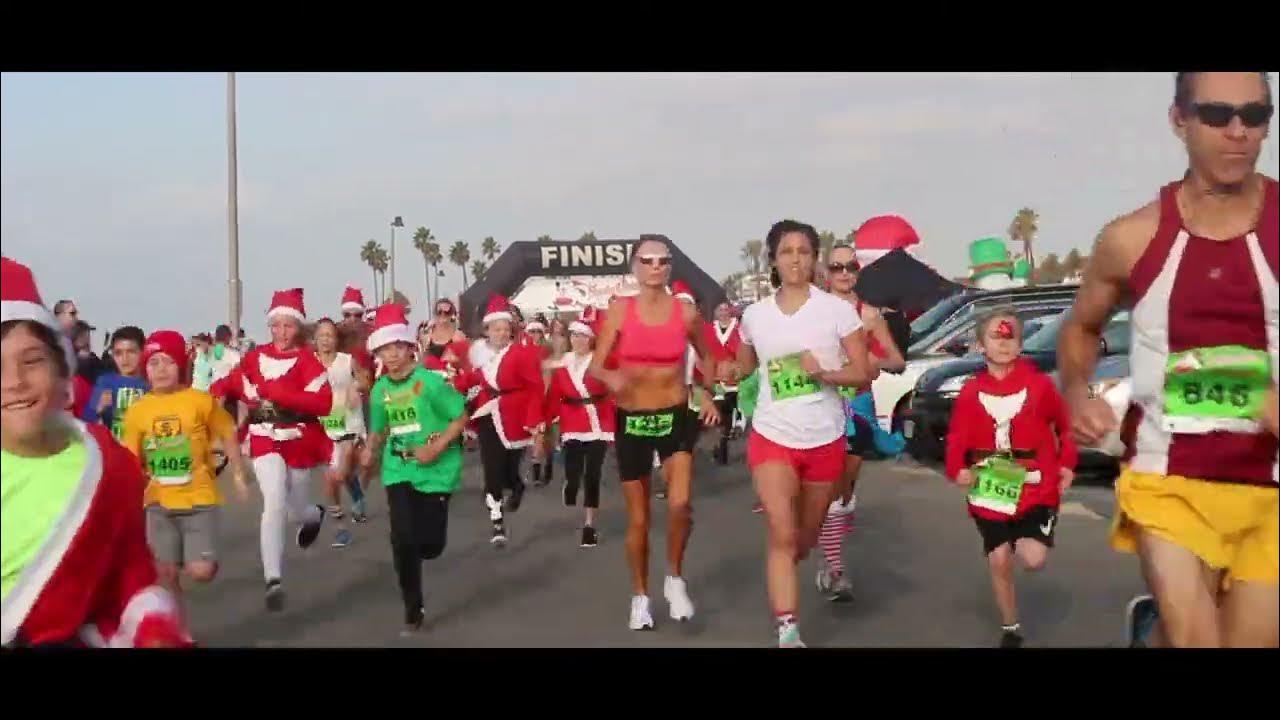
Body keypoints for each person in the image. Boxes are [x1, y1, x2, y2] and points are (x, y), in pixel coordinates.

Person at [1059, 71, 1278, 649]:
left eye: (1255, 116)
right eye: (1218, 115)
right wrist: (1077, 392)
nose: (1238, 132)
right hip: (1168, 478)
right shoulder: (1133, 237)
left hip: (1271, 485)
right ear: (1179, 120)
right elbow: (1080, 327)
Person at [1, 257, 190, 648]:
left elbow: (129, 573)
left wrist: (152, 626)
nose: (14, 381)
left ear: (63, 373)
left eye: (32, 361)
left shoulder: (105, 464)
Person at [722, 220, 871, 647]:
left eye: (803, 252)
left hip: (824, 438)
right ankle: (788, 629)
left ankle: (810, 557)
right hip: (772, 435)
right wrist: (731, 370)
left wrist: (824, 373)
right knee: (782, 533)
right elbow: (745, 365)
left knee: (803, 540)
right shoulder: (755, 315)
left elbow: (862, 373)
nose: (795, 259)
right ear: (773, 260)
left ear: (814, 259)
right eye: (786, 252)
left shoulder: (837, 311)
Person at [591, 239, 720, 631]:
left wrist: (706, 392)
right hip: (632, 419)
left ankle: (675, 579)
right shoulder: (620, 310)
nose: (655, 267)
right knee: (639, 520)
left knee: (680, 503)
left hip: (675, 415)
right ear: (635, 266)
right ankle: (640, 597)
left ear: (670, 267)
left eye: (663, 261)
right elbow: (596, 366)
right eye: (647, 261)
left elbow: (708, 357)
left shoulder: (685, 313)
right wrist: (611, 376)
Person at [945, 310, 1076, 648]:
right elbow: (957, 436)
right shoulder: (971, 391)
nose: (1003, 344)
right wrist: (956, 468)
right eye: (995, 337)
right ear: (980, 345)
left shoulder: (1040, 386)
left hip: (1036, 485)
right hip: (991, 481)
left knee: (1033, 559)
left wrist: (1067, 464)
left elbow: (1066, 426)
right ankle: (1010, 627)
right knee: (1000, 557)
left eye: (1011, 337)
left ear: (1020, 344)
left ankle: (1025, 531)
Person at [210, 288, 330, 611]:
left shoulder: (307, 361)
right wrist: (214, 398)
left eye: (288, 325)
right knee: (274, 499)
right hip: (263, 437)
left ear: (299, 327)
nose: (281, 332)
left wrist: (282, 395)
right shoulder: (254, 358)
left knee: (296, 510)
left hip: (298, 439)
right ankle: (273, 579)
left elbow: (324, 403)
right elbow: (228, 384)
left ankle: (313, 515)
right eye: (276, 325)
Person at [121, 330, 250, 619]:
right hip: (158, 502)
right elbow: (130, 458)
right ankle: (179, 630)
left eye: (168, 361)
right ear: (145, 370)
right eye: (154, 363)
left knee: (201, 572)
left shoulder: (199, 401)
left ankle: (200, 557)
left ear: (181, 365)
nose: (161, 369)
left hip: (198, 499)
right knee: (165, 574)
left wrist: (238, 473)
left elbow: (227, 430)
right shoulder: (137, 411)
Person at [360, 304, 469, 633]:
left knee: (430, 546)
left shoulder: (429, 383)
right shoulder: (379, 390)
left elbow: (460, 417)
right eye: (385, 349)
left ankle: (427, 544)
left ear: (410, 347)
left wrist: (436, 446)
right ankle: (412, 606)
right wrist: (369, 450)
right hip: (399, 468)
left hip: (436, 470)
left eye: (397, 346)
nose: (392, 355)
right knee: (402, 539)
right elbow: (379, 429)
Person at [816, 243, 907, 601]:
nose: (844, 273)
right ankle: (835, 567)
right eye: (836, 267)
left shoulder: (869, 315)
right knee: (829, 485)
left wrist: (871, 361)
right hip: (821, 404)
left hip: (858, 405)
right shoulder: (813, 312)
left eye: (850, 267)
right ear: (826, 273)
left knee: (844, 489)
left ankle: (832, 557)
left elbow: (898, 361)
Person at [460, 295, 546, 547]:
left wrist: (534, 420)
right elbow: (472, 380)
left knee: (509, 470)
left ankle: (517, 487)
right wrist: (449, 383)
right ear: (487, 330)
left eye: (505, 329)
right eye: (496, 329)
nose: (501, 333)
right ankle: (497, 521)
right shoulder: (480, 355)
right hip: (488, 414)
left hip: (514, 415)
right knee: (492, 469)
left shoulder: (521, 354)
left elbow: (535, 388)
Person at [545, 306, 615, 547]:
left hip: (599, 422)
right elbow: (554, 394)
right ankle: (570, 483)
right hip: (572, 422)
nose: (577, 340)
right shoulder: (562, 363)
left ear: (592, 339)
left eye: (583, 336)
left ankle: (589, 526)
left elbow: (616, 385)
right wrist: (548, 422)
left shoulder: (603, 360)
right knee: (573, 469)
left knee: (593, 474)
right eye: (574, 335)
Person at [313, 318, 369, 549]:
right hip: (324, 428)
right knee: (336, 477)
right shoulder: (309, 363)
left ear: (337, 339)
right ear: (315, 339)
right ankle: (340, 527)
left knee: (337, 474)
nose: (326, 339)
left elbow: (365, 380)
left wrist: (356, 387)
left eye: (330, 335)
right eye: (322, 335)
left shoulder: (347, 361)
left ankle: (354, 494)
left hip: (349, 425)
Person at [82, 325, 149, 441]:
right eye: (118, 353)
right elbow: (86, 421)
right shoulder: (105, 382)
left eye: (131, 352)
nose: (125, 358)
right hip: (116, 447)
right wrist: (98, 408)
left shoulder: (151, 383)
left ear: (143, 352)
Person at [707, 301, 744, 465]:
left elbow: (745, 352)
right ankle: (719, 445)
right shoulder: (708, 329)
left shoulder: (740, 328)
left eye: (725, 309)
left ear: (730, 310)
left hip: (734, 380)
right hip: (715, 379)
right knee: (717, 415)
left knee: (729, 414)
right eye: (719, 309)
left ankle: (724, 443)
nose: (723, 312)